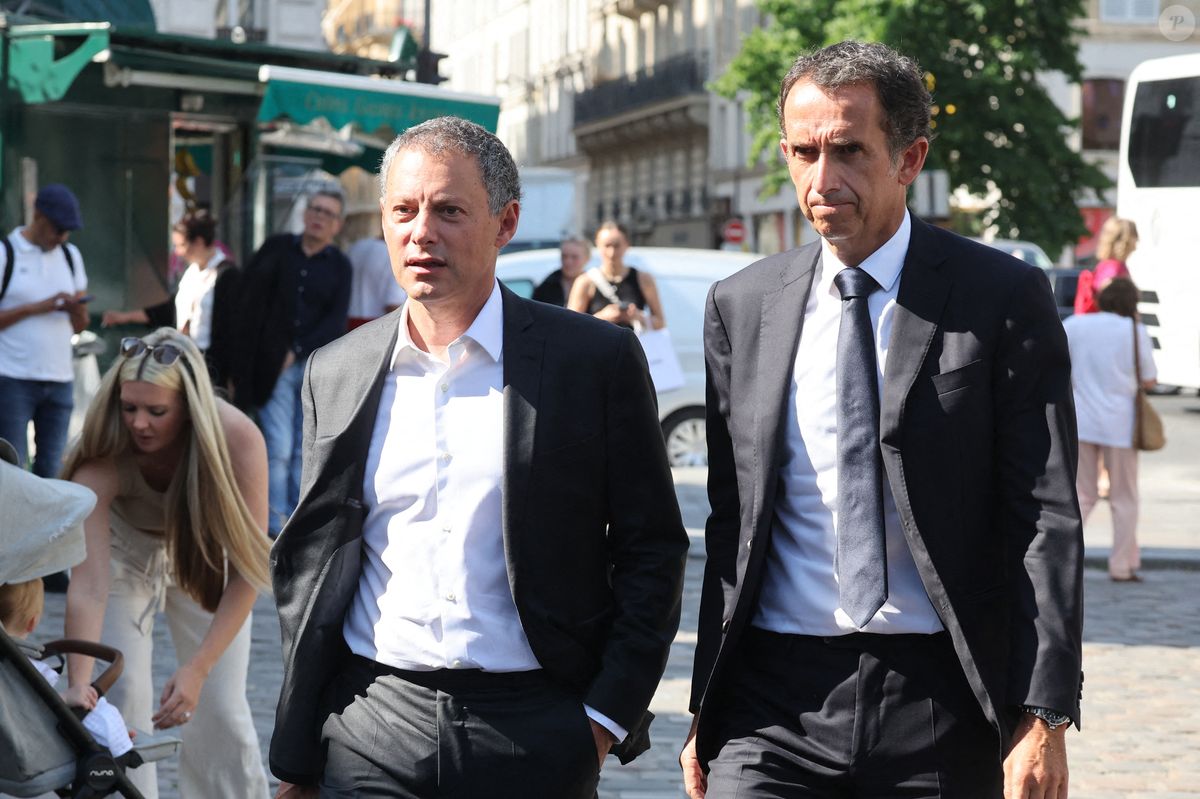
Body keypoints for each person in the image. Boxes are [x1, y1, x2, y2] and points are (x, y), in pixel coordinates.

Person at [681, 41, 1084, 799]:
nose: (821, 180)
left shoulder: (998, 295)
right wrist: (707, 701)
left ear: (910, 158)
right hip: (771, 701)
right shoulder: (741, 306)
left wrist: (1044, 712)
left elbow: (1044, 512)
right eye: (803, 152)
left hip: (938, 692)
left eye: (848, 151)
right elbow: (732, 524)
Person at [269, 116, 688, 798]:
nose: (421, 232)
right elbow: (313, 563)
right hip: (372, 721)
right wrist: (300, 750)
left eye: (449, 210)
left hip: (535, 727)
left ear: (505, 221)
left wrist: (601, 719)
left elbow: (653, 547)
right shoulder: (337, 369)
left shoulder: (593, 361)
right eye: (403, 210)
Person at [61, 328, 272, 799]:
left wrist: (197, 668)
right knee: (120, 693)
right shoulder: (103, 452)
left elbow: (248, 571)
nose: (139, 423)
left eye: (156, 411)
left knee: (219, 706)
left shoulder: (237, 439)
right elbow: (89, 584)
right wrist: (77, 682)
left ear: (189, 407)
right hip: (122, 553)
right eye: (129, 406)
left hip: (203, 548)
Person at [230, 189, 352, 535]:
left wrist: (297, 350)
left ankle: (298, 522)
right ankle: (271, 525)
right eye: (314, 209)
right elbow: (250, 304)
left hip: (315, 366)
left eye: (327, 213)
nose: (318, 217)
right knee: (278, 446)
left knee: (306, 447)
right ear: (304, 213)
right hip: (274, 368)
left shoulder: (340, 265)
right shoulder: (277, 248)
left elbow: (335, 321)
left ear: (337, 225)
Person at [1064, 278, 1156, 582]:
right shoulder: (1134, 331)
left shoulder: (1075, 325)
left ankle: (1062, 556)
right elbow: (1150, 379)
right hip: (1121, 423)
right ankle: (1121, 566)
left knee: (1081, 494)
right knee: (1124, 498)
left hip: (1081, 420)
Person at [0, 183, 90, 478]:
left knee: (52, 470)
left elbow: (81, 325)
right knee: (13, 469)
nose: (61, 237)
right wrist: (37, 307)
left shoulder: (70, 255)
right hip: (13, 378)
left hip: (59, 378)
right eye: (57, 229)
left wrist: (76, 309)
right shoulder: (6, 254)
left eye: (67, 232)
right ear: (38, 216)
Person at [102, 212, 240, 389]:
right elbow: (169, 310)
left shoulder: (228, 276)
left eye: (181, 245)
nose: (178, 252)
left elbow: (234, 331)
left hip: (213, 364)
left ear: (198, 242)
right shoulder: (191, 273)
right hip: (183, 356)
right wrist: (125, 317)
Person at [0, 578, 134, 758]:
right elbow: (29, 711)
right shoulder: (27, 670)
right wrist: (66, 698)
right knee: (95, 706)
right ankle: (119, 743)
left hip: (7, 756)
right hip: (29, 752)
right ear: (32, 622)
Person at [567, 221, 666, 330]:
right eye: (607, 245)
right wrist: (602, 317)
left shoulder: (643, 279)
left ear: (627, 245)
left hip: (631, 345)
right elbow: (571, 325)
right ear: (598, 245)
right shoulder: (585, 281)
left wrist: (638, 316)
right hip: (597, 345)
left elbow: (660, 322)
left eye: (617, 245)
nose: (612, 252)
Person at [1074, 216, 1138, 316]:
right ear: (1126, 241)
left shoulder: (1104, 266)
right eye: (1135, 238)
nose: (1136, 245)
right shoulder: (1116, 269)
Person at [345, 233, 406, 329]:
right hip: (376, 327)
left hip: (345, 324)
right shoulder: (394, 255)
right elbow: (393, 305)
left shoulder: (356, 246)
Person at [532, 236, 590, 306]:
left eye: (574, 257)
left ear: (587, 259)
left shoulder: (595, 284)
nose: (568, 262)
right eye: (564, 256)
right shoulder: (548, 285)